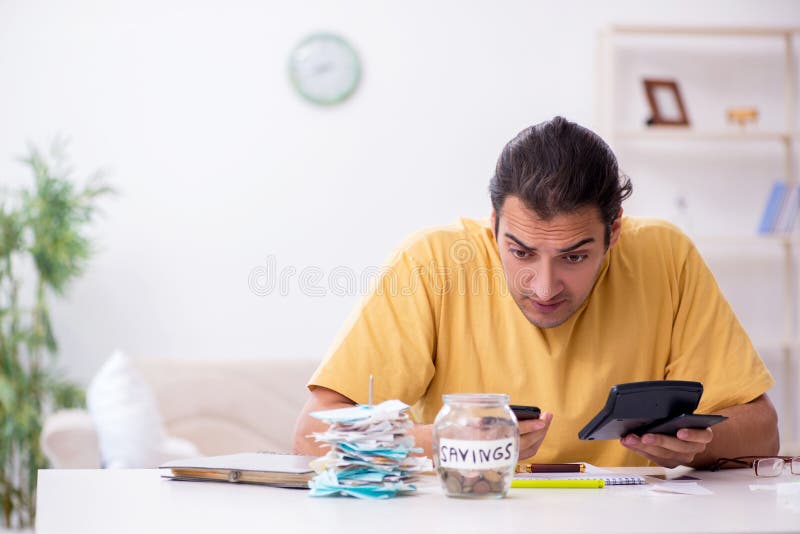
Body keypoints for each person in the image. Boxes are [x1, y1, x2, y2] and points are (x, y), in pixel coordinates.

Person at [293, 116, 779, 467]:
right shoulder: (429, 263)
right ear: (493, 228)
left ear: (614, 233)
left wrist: (700, 444)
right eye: (521, 252)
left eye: (574, 256)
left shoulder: (667, 256)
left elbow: (764, 430)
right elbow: (312, 436)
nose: (544, 287)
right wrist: (445, 438)